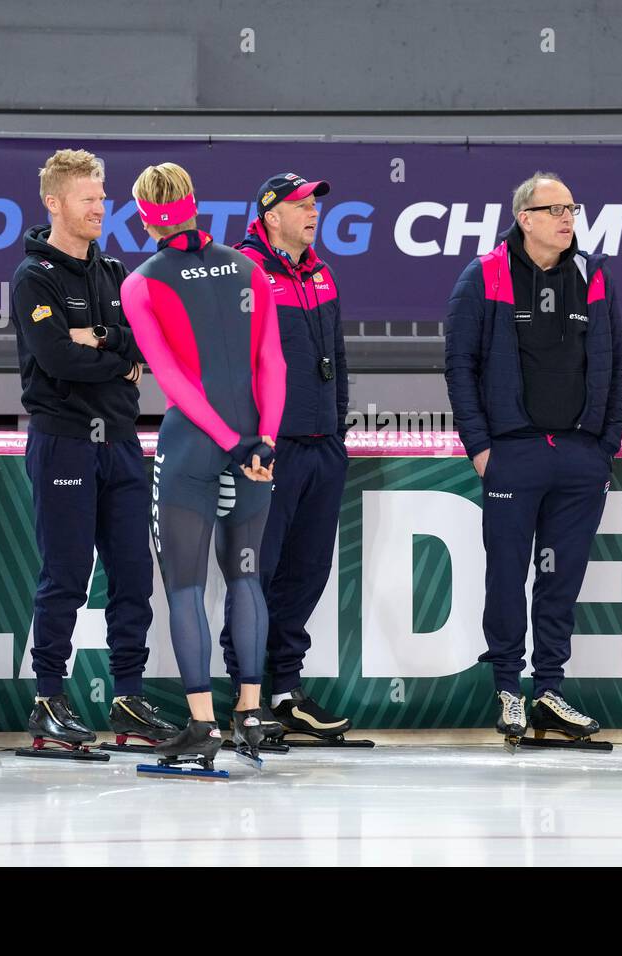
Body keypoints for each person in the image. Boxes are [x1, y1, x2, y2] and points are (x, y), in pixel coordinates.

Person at [444, 172, 622, 744]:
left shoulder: (593, 274)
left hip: (579, 457)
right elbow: (460, 366)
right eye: (554, 209)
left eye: (572, 207)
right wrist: (480, 448)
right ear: (525, 218)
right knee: (506, 577)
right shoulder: (483, 275)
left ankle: (549, 690)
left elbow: (616, 362)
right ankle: (508, 688)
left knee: (560, 579)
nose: (567, 218)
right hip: (513, 455)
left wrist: (605, 445)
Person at [10, 149, 178, 757]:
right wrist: (118, 360)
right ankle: (49, 700)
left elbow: (151, 345)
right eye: (87, 198)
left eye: (102, 197)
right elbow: (57, 359)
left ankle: (128, 698)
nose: (99, 207)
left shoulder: (114, 270)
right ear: (53, 202)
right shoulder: (34, 276)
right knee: (66, 577)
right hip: (66, 444)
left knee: (134, 575)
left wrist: (103, 339)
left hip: (123, 444)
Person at [120, 163, 285, 770]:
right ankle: (250, 712)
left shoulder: (140, 283)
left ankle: (203, 726)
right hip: (254, 443)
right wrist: (261, 439)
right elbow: (272, 360)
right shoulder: (250, 268)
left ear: (145, 219)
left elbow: (172, 380)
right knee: (245, 577)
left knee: (185, 586)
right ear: (195, 204)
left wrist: (227, 440)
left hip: (193, 445)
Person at [217, 172, 352, 742]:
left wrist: (337, 427)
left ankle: (286, 692)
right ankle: (244, 697)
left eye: (314, 203)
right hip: (269, 451)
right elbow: (229, 363)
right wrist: (248, 441)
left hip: (322, 446)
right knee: (257, 572)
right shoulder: (243, 270)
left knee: (307, 572)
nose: (312, 211)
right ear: (270, 215)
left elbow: (338, 359)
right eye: (300, 204)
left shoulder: (320, 272)